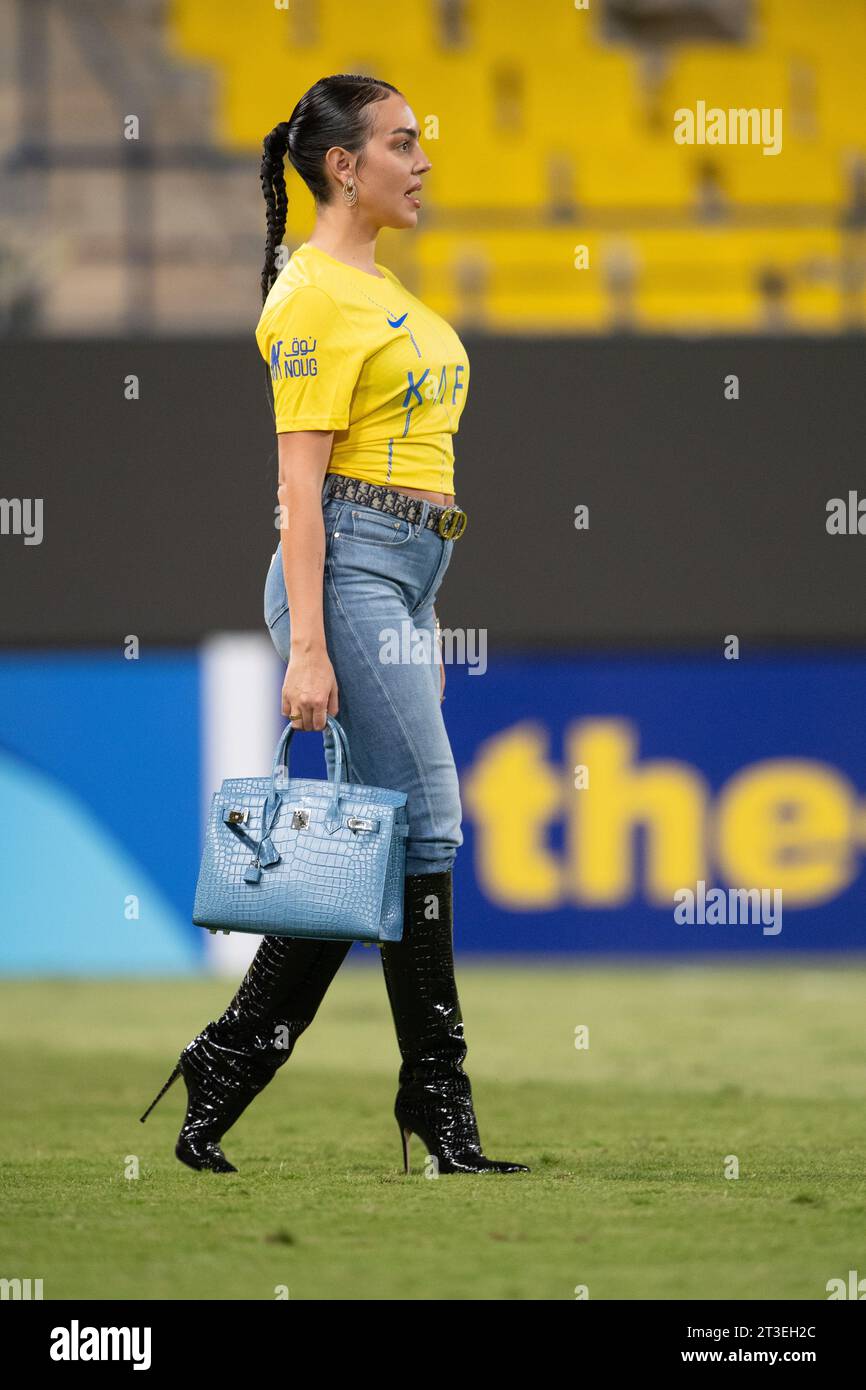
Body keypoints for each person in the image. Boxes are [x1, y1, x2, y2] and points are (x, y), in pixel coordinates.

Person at [141, 74, 529, 1178]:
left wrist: (423, 611)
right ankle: (436, 1105)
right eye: (403, 142)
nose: (423, 160)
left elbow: (403, 473)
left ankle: (226, 1063)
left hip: (400, 578)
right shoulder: (311, 295)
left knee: (376, 846)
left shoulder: (373, 286)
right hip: (346, 572)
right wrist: (310, 643)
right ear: (343, 166)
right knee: (432, 825)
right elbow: (301, 491)